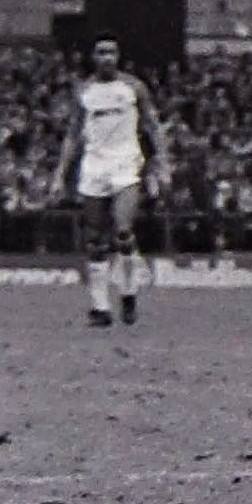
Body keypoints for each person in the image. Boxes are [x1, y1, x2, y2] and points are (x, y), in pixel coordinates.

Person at [53, 33, 167, 328]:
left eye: (111, 52)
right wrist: (60, 175)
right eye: (101, 52)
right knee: (94, 239)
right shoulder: (85, 91)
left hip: (125, 163)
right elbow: (72, 135)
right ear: (93, 57)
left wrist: (163, 164)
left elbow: (153, 126)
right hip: (94, 166)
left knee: (123, 230)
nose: (106, 57)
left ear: (118, 56)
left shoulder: (133, 87)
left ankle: (128, 293)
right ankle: (100, 306)